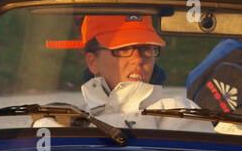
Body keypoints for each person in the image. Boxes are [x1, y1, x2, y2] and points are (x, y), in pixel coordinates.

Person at [41, 14, 199, 129]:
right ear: (92, 62)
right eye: (123, 49)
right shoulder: (60, 124)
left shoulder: (180, 114)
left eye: (146, 49)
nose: (138, 59)